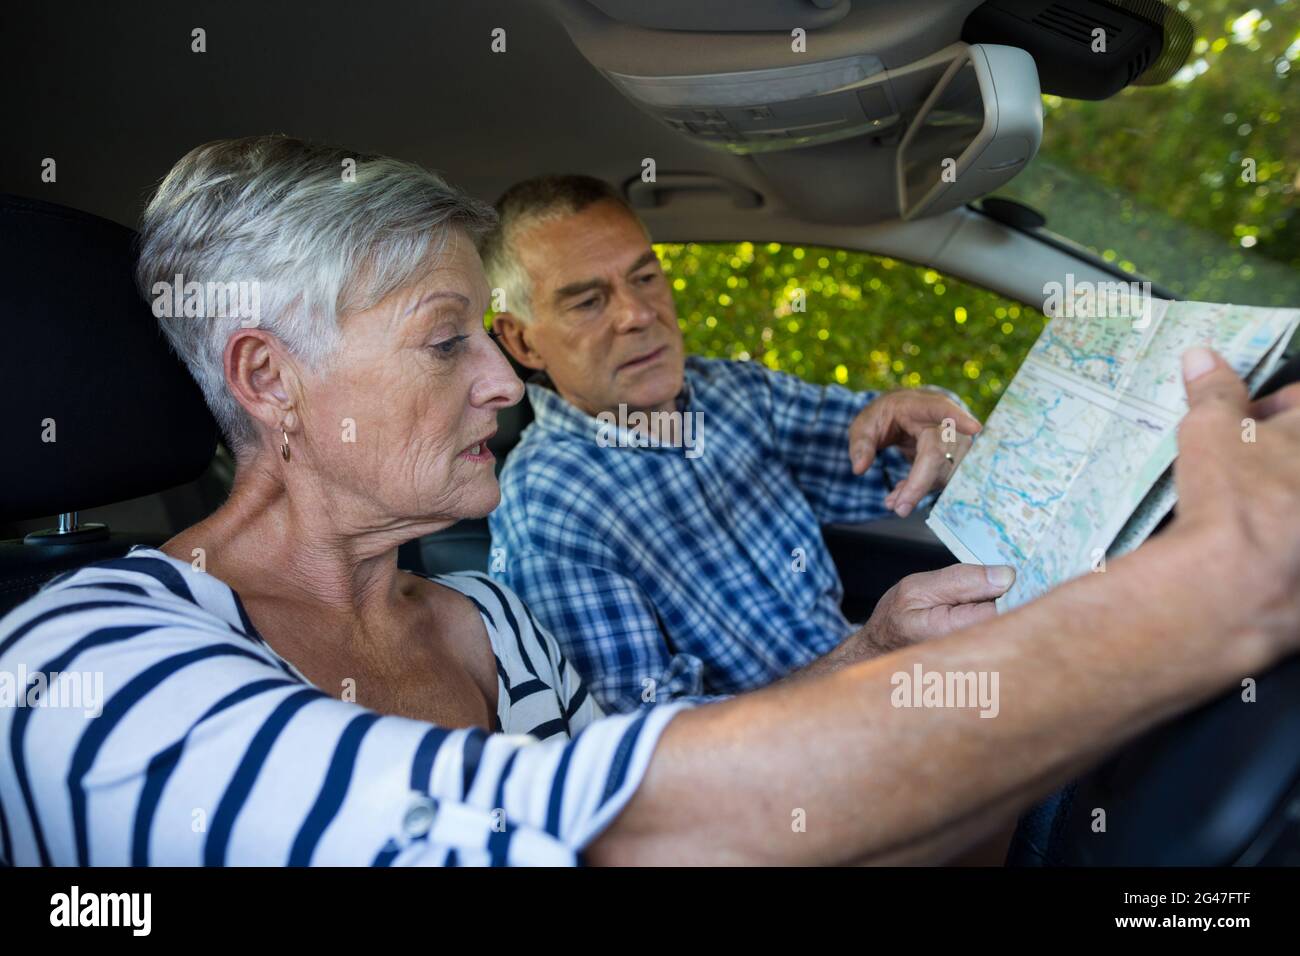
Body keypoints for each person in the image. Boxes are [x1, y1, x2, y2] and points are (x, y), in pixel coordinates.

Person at [2, 135, 1298, 867]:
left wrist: (878, 655)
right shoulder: (78, 664)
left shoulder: (492, 629)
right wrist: (1208, 593)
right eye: (447, 342)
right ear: (270, 380)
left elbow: (731, 817)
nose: (501, 388)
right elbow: (631, 833)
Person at [483, 175, 990, 713]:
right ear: (521, 340)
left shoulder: (731, 393)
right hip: (803, 776)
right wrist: (871, 655)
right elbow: (654, 753)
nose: (638, 314)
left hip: (892, 700)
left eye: (646, 277)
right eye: (587, 302)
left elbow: (898, 444)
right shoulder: (548, 510)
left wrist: (932, 429)